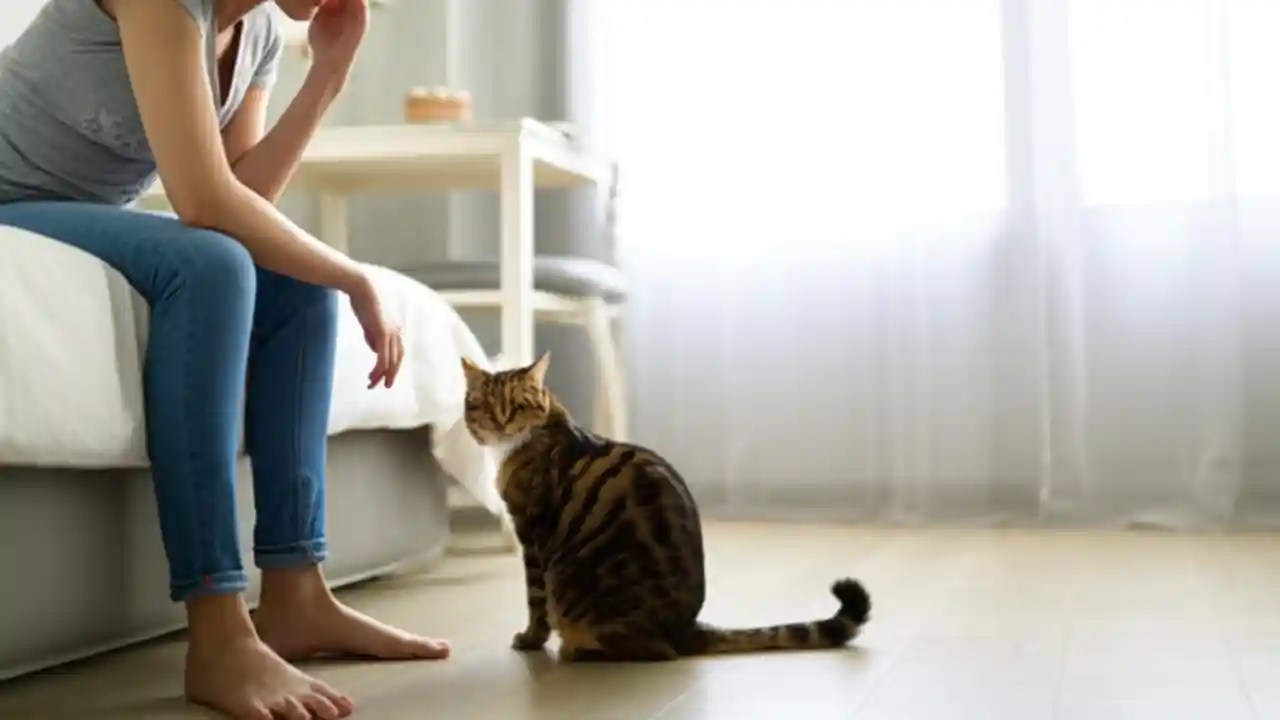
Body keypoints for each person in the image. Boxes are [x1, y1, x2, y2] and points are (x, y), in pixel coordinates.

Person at [0, 1, 449, 717]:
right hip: (6, 196)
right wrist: (354, 275)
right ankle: (216, 630)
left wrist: (328, 75)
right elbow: (204, 205)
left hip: (80, 212)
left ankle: (297, 592)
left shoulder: (258, 32)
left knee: (295, 282)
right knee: (213, 266)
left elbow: (243, 196)